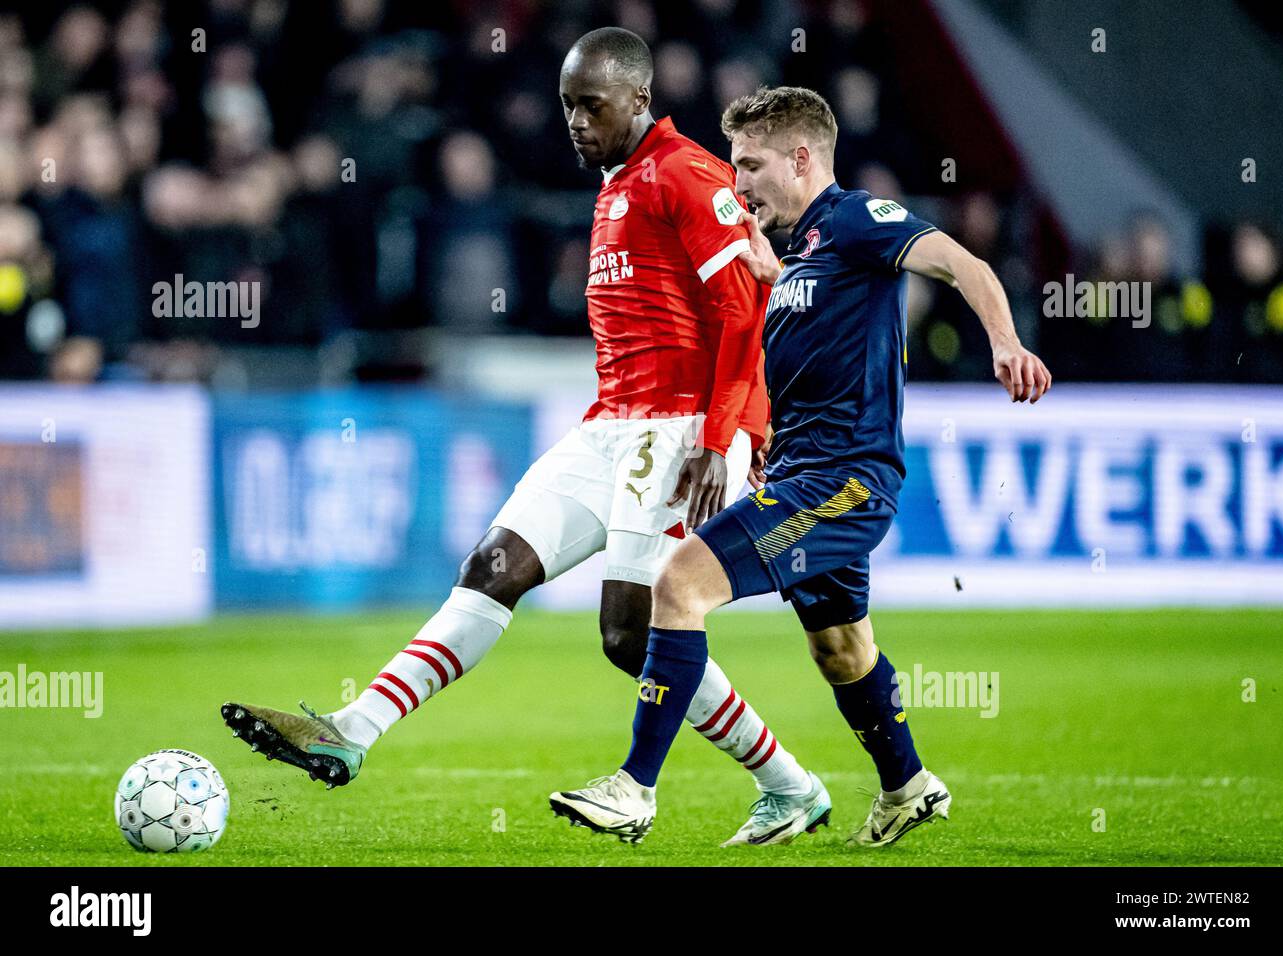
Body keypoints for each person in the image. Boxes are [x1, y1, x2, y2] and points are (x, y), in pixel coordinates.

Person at [221, 31, 831, 848]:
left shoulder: (686, 173)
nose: (576, 122)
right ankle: (352, 729)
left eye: (592, 106)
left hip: (680, 425)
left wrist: (724, 440)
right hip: (610, 422)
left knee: (630, 634)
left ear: (639, 99)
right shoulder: (619, 180)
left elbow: (741, 310)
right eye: (568, 107)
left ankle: (784, 784)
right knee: (492, 566)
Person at [551, 85, 1052, 846]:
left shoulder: (856, 219)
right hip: (801, 477)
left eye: (749, 164)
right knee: (841, 648)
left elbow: (961, 262)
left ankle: (634, 788)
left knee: (678, 583)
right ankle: (908, 786)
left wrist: (1006, 342)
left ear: (801, 157)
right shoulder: (803, 252)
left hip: (844, 482)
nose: (738, 181)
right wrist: (769, 273)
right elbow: (819, 330)